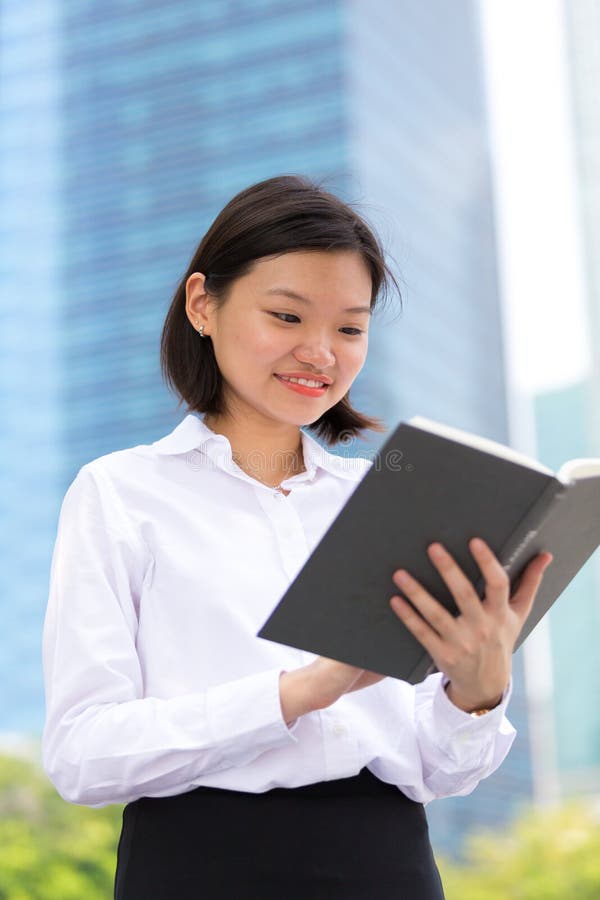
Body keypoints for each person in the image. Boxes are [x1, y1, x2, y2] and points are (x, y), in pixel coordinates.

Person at [41, 175, 553, 899]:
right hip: (198, 866)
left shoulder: (382, 500)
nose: (321, 351)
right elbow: (82, 756)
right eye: (286, 316)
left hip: (389, 866)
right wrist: (302, 691)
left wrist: (477, 692)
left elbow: (441, 769)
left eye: (349, 327)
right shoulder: (121, 493)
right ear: (201, 304)